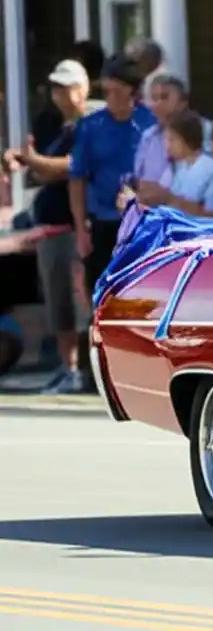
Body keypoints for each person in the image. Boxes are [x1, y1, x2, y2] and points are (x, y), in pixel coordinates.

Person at [2, 59, 91, 394]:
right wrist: (35, 164)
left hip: (73, 227)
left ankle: (81, 371)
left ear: (83, 89)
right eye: (55, 86)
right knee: (57, 303)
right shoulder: (53, 123)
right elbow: (40, 171)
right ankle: (67, 368)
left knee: (76, 302)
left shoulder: (89, 124)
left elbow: (69, 168)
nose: (59, 93)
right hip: (49, 225)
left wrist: (34, 162)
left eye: (66, 86)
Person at [68, 55, 157, 301]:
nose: (112, 98)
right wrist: (80, 228)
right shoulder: (90, 126)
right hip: (102, 222)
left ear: (133, 91)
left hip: (143, 221)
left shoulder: (150, 122)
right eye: (107, 92)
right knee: (102, 295)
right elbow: (77, 179)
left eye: (118, 91)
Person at [128, 110, 213, 213]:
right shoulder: (176, 167)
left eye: (172, 139)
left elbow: (210, 211)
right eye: (165, 140)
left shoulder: (210, 167)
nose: (167, 145)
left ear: (188, 139)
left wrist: (169, 198)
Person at [133, 75, 210, 184]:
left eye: (164, 97)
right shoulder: (148, 137)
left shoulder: (205, 130)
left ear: (182, 102)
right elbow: (138, 178)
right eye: (154, 98)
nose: (158, 104)